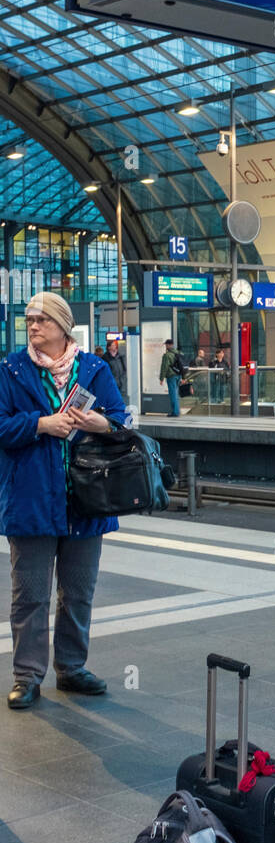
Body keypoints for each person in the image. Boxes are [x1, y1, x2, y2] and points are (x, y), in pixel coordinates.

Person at [0, 293, 128, 709]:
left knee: (78, 591)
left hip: (86, 500)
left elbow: (120, 419)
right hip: (31, 499)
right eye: (29, 320)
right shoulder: (10, 369)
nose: (32, 326)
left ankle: (71, 668)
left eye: (41, 319)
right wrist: (41, 423)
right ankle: (27, 675)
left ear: (62, 325)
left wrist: (99, 422)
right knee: (30, 593)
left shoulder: (94, 368)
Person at [159, 339, 184, 416]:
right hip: (178, 375)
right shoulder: (179, 353)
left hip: (171, 376)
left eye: (166, 345)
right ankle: (177, 411)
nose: (166, 346)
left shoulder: (167, 355)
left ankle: (175, 412)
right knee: (176, 394)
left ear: (169, 345)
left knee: (173, 394)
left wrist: (161, 378)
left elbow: (164, 367)